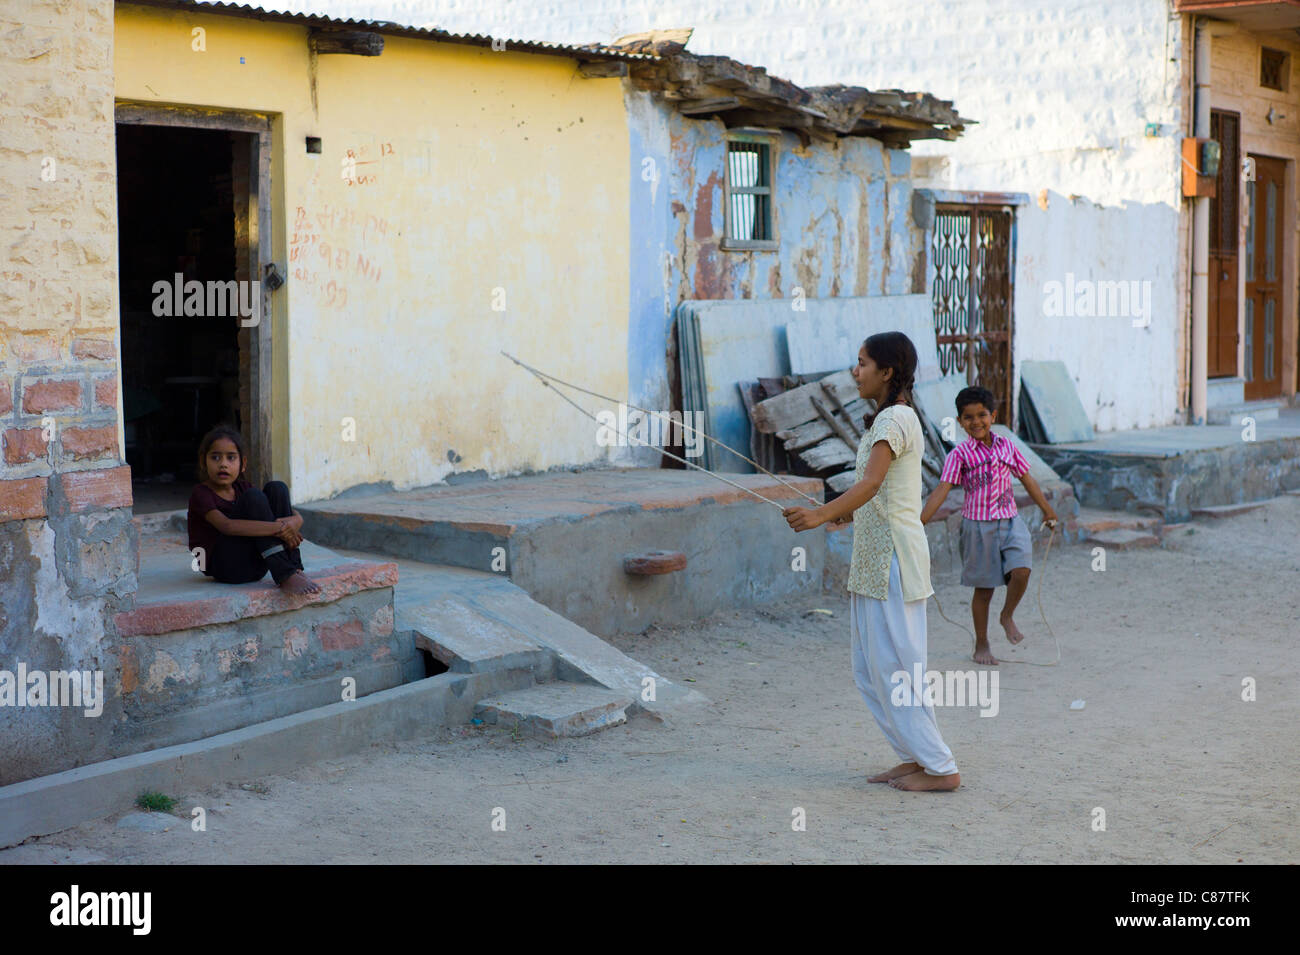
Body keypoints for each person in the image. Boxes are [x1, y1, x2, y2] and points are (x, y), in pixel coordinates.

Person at [784, 331, 959, 792]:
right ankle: (913, 756)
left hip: (894, 561)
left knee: (897, 668)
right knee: (871, 670)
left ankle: (941, 767)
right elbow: (878, 493)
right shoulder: (889, 419)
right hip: (874, 559)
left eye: (862, 363)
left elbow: (871, 483)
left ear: (887, 372)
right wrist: (845, 515)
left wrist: (823, 513)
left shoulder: (893, 420)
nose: (854, 371)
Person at [920, 386, 1058, 665]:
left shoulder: (1007, 446)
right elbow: (942, 489)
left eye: (982, 415)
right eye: (968, 417)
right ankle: (981, 644)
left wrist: (1047, 510)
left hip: (1010, 520)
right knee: (984, 590)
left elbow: (1027, 479)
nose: (976, 422)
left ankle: (1007, 614)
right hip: (977, 528)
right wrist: (919, 522)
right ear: (960, 422)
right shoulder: (959, 455)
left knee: (1021, 571)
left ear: (992, 415)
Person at [187, 426, 320, 595]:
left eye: (231, 458)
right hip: (224, 568)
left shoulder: (242, 488)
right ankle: (285, 574)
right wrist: (281, 529)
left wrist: (296, 521)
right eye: (215, 457)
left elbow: (285, 514)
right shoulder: (201, 493)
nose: (223, 464)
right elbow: (227, 526)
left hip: (254, 565)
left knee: (276, 488)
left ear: (243, 464)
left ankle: (294, 568)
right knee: (254, 497)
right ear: (203, 462)